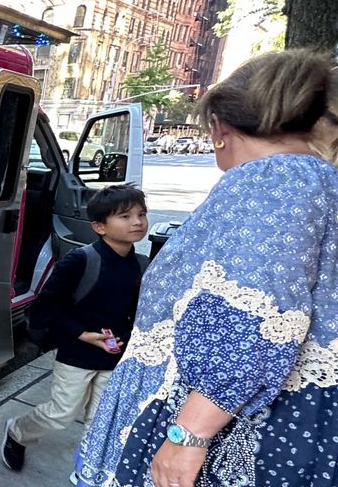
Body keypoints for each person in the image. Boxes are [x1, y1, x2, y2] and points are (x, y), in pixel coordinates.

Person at [74, 50, 338, 487]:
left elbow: (257, 316)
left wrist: (188, 436)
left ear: (219, 128)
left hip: (228, 423)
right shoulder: (319, 178)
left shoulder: (269, 180)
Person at [2, 185, 149, 479]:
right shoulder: (81, 260)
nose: (137, 222)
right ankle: (18, 431)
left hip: (115, 355)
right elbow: (48, 304)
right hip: (77, 352)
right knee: (62, 413)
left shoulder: (139, 264)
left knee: (101, 419)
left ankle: (88, 470)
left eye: (141, 214)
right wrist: (81, 334)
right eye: (125, 216)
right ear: (99, 226)